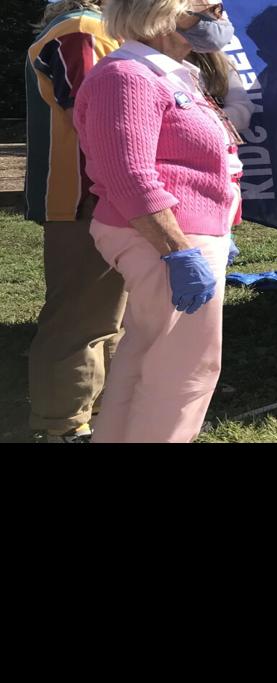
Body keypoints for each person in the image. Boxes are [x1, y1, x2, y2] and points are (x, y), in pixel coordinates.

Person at [73, 0, 243, 441]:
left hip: (176, 235)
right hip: (164, 238)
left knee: (148, 355)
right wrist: (179, 250)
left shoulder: (166, 73)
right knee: (184, 369)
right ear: (169, 12)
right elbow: (129, 176)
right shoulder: (126, 76)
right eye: (212, 8)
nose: (221, 19)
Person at [23, 0, 122, 442]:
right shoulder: (83, 28)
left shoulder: (88, 27)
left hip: (99, 193)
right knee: (81, 320)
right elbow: (96, 117)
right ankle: (64, 424)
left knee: (109, 314)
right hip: (87, 196)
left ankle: (100, 411)